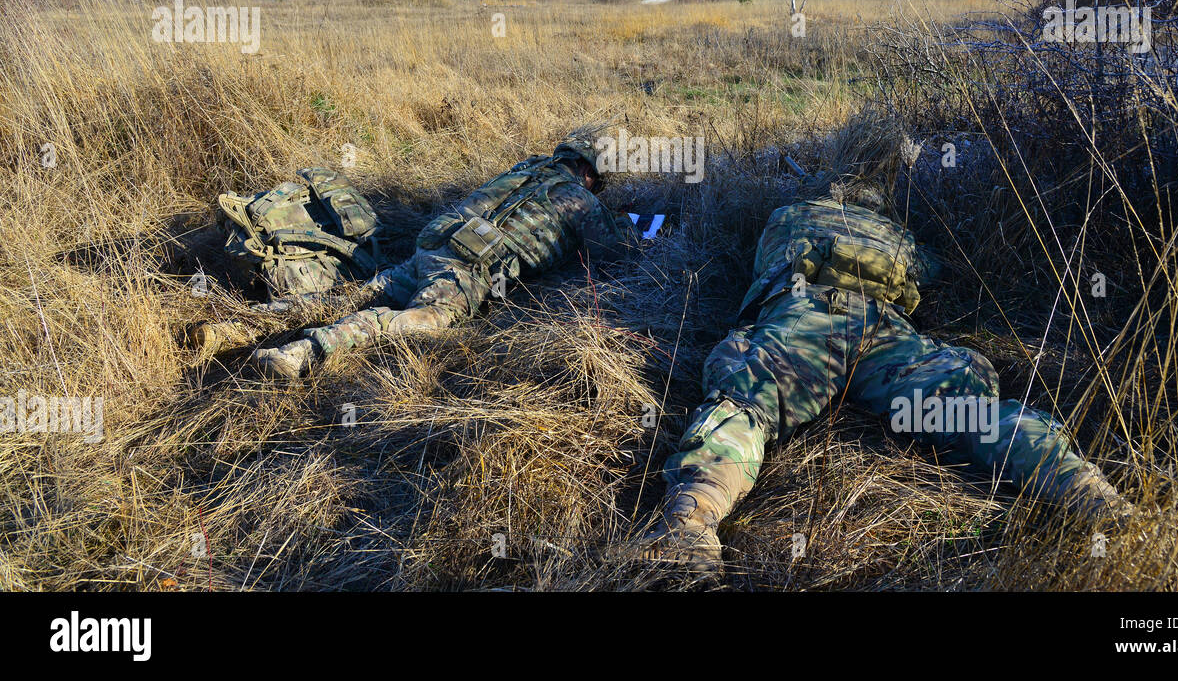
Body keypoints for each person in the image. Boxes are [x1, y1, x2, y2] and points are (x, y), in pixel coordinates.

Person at [640, 117, 1132, 572]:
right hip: (885, 328)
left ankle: (688, 528)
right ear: (876, 208)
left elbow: (764, 262)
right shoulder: (899, 238)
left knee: (749, 403)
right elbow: (929, 275)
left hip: (809, 313)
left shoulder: (791, 214)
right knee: (969, 411)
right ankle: (1093, 496)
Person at [250, 131, 639, 379]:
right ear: (588, 172)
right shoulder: (579, 197)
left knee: (369, 289)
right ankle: (305, 350)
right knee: (425, 319)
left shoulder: (526, 167)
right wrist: (620, 224)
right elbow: (612, 255)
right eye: (596, 182)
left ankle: (242, 326)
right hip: (469, 266)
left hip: (435, 241)